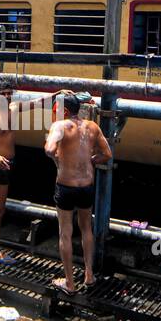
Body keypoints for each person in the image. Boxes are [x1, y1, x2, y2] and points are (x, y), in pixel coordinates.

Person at [0, 81, 53, 263]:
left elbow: (37, 102)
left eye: (9, 93)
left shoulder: (13, 108)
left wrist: (58, 93)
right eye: (3, 93)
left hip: (7, 164)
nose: (7, 96)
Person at [44, 92, 112, 295]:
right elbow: (107, 155)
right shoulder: (92, 127)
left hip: (66, 187)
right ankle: (89, 274)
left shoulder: (60, 126)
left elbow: (49, 149)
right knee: (86, 229)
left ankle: (70, 283)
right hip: (86, 186)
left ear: (64, 110)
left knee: (65, 232)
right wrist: (92, 162)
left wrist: (57, 158)